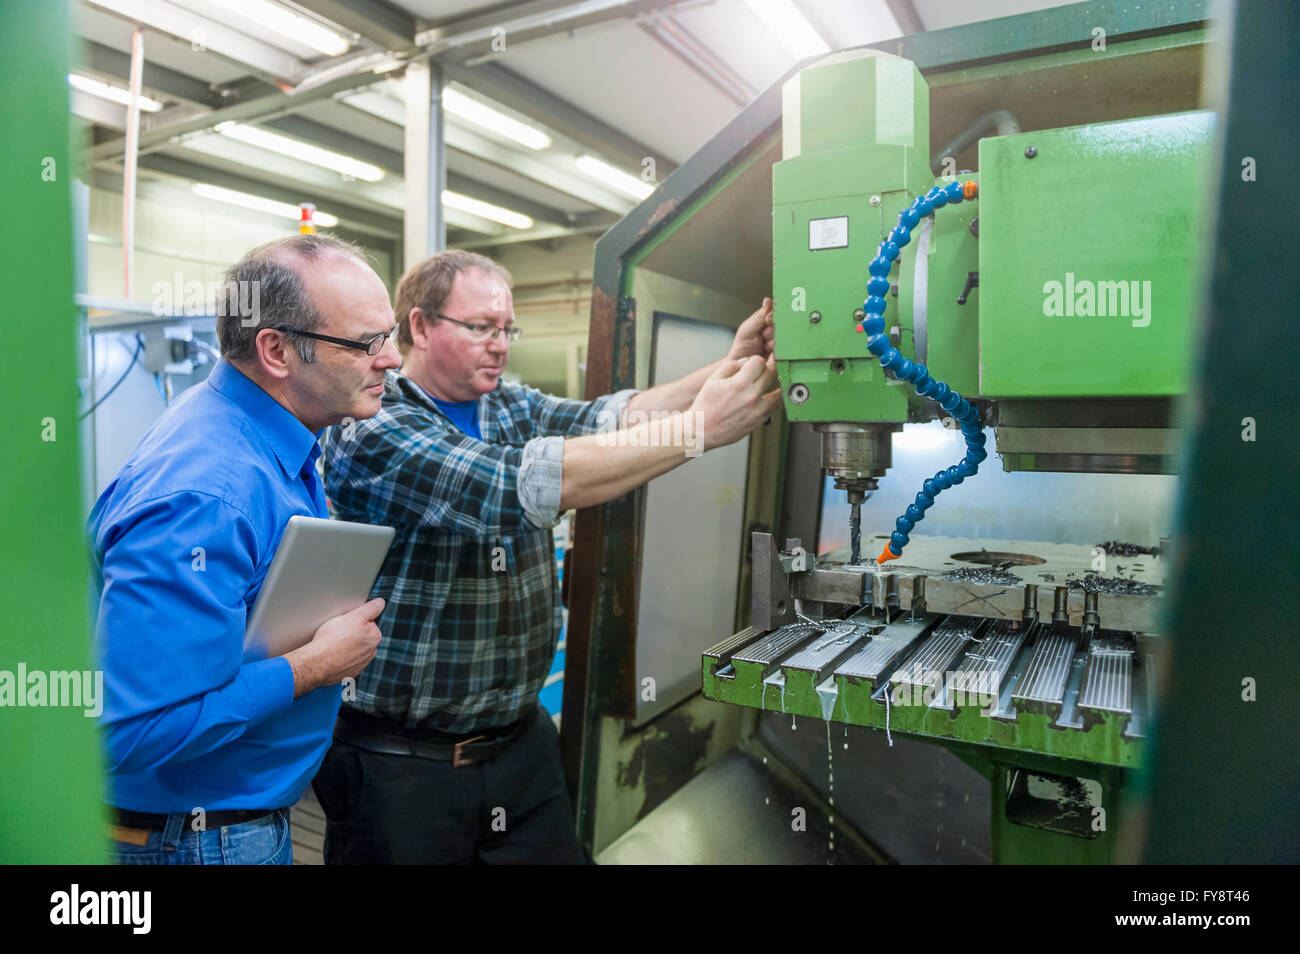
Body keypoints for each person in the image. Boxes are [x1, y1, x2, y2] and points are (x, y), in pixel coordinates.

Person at [315, 248, 779, 863]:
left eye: (507, 329)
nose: (499, 345)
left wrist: (730, 365)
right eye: (480, 327)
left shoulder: (506, 403)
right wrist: (695, 431)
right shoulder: (370, 423)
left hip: (519, 745)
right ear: (420, 326)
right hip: (403, 764)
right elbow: (514, 484)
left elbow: (615, 417)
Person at [88, 233, 402, 864]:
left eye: (390, 336)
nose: (392, 359)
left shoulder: (264, 440)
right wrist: (317, 664)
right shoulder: (210, 493)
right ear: (278, 350)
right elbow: (130, 730)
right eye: (368, 342)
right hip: (194, 839)